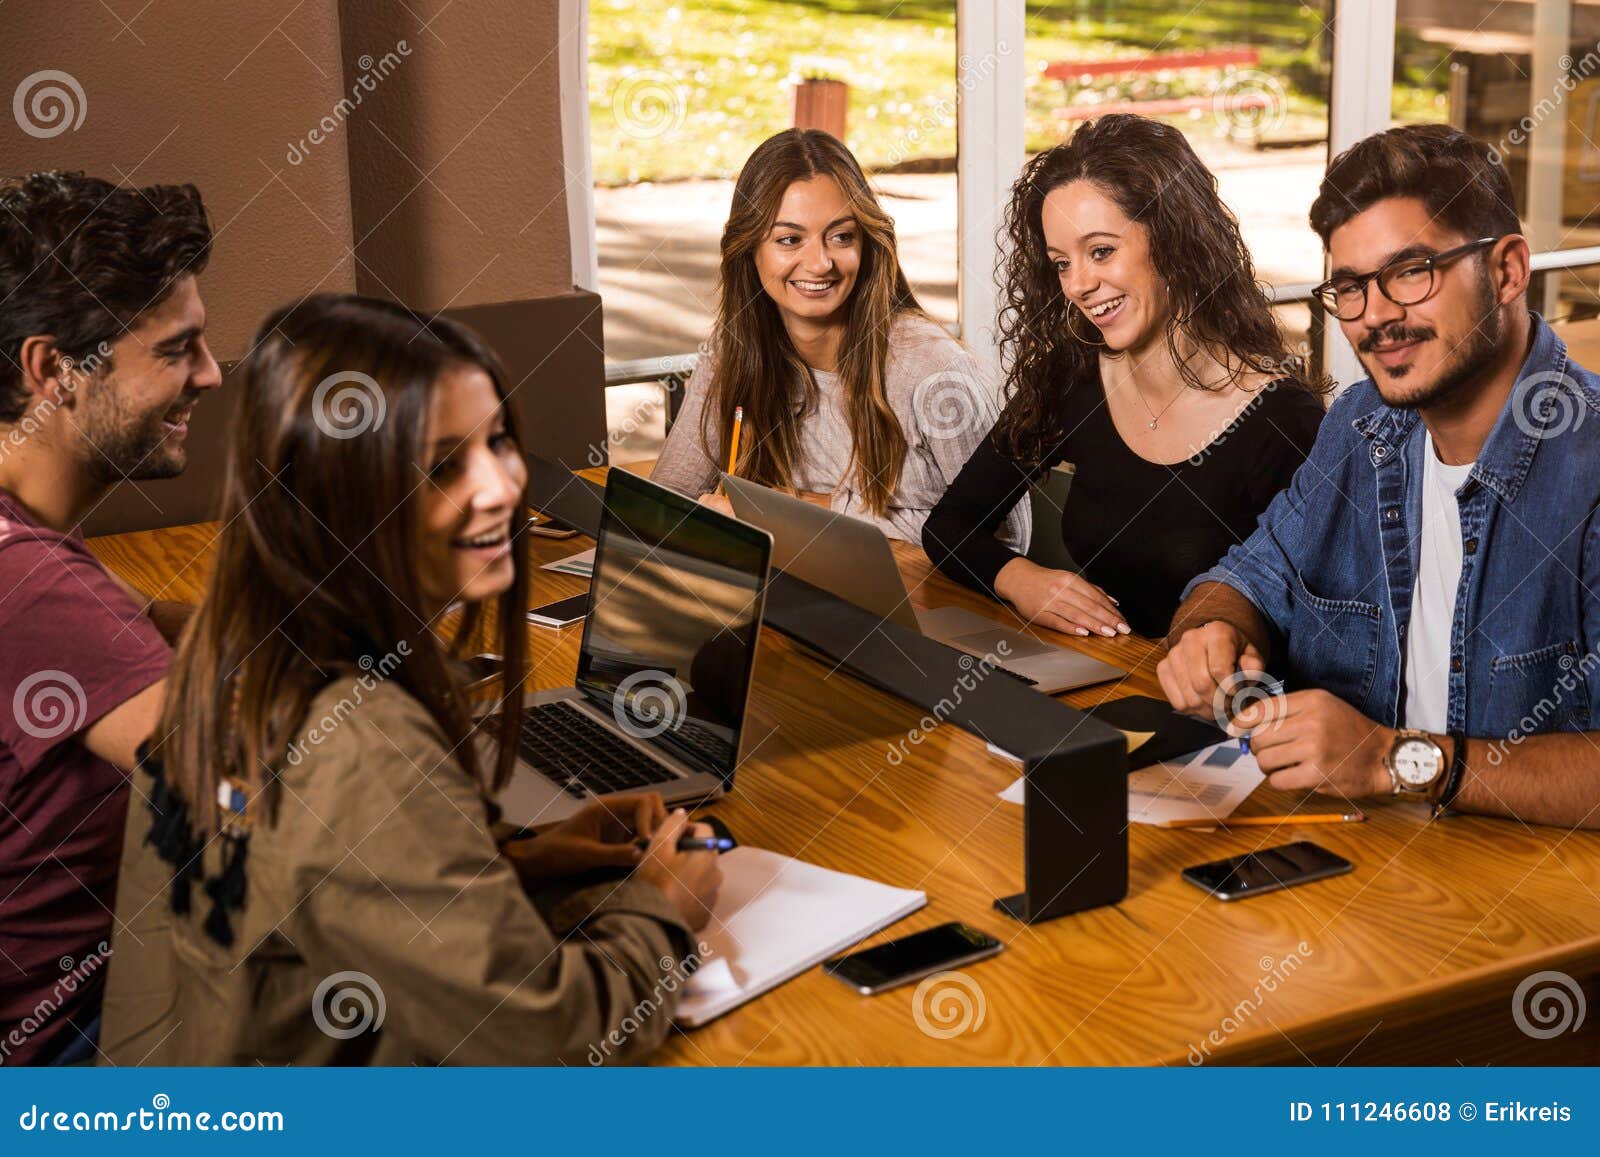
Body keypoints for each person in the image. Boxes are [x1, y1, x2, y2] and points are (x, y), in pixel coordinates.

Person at [98, 294, 723, 1066]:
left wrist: (527, 858)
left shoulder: (230, 649)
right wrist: (663, 905)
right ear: (338, 492)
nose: (500, 487)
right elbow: (552, 1048)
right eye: (442, 466)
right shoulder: (361, 743)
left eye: (499, 440)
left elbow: (314, 891)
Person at [1160, 124, 1600, 830]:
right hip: (1371, 870)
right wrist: (1210, 626)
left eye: (1410, 272)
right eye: (1352, 287)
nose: (1377, 318)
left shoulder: (1589, 465)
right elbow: (1250, 573)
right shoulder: (1363, 424)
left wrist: (1393, 760)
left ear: (1508, 270)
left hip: (1533, 907)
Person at [924, 115, 1327, 640]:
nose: (1079, 285)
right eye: (1061, 263)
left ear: (1173, 238)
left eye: (1101, 251)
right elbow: (950, 525)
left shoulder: (1282, 419)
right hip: (1101, 675)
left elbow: (1311, 624)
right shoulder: (1073, 375)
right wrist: (1020, 579)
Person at [0, 172, 219, 1066]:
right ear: (54, 371)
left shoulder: (28, 543)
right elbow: (257, 790)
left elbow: (154, 621)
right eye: (176, 349)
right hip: (69, 1056)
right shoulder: (27, 581)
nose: (210, 374)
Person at [652, 129, 1026, 548]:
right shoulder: (733, 347)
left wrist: (785, 509)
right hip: (796, 591)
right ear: (749, 248)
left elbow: (1008, 538)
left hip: (924, 603)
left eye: (842, 236)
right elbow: (669, 498)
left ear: (867, 242)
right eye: (790, 239)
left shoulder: (933, 370)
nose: (820, 262)